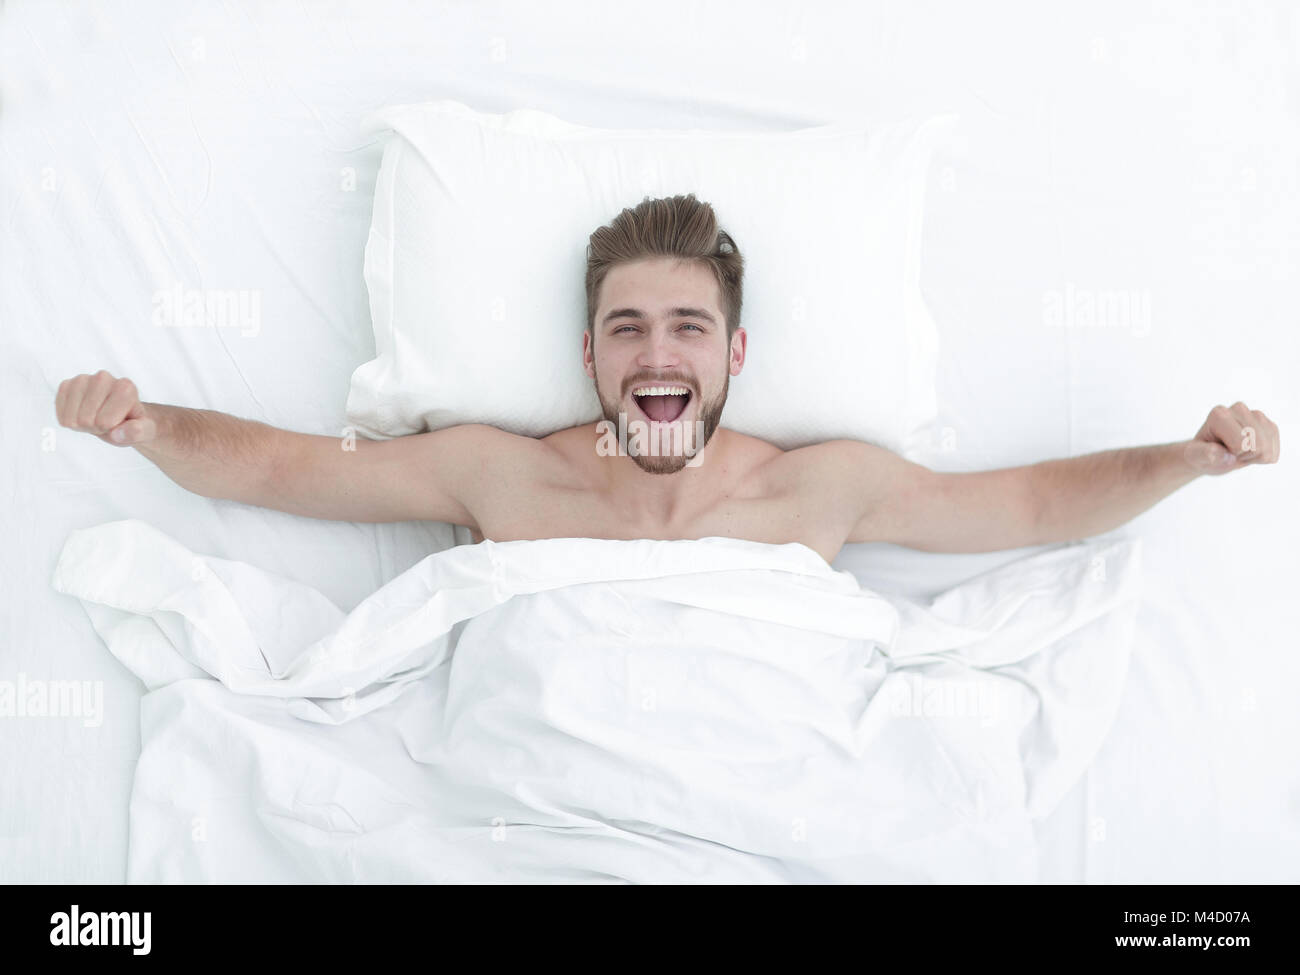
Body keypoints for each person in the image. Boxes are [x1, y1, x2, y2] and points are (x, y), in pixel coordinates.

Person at [54, 195, 1280, 565]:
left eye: (688, 328)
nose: (656, 353)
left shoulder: (822, 490)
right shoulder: (498, 473)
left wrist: (1185, 459)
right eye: (627, 327)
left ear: (732, 357)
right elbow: (284, 467)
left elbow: (1018, 507)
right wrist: (147, 423)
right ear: (588, 356)